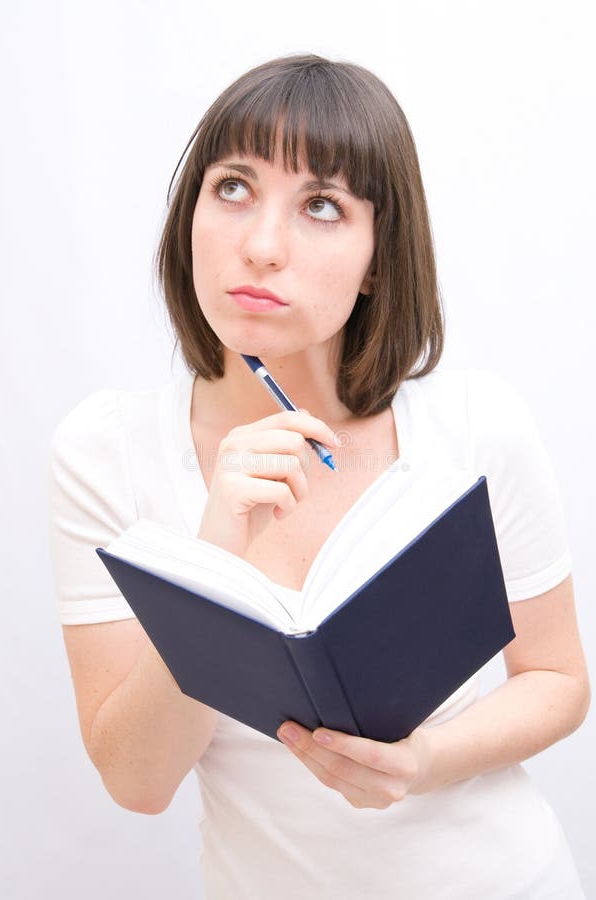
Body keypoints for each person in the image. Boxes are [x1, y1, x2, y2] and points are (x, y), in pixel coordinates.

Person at [47, 54, 590, 898]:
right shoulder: (106, 452)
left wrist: (423, 761)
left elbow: (557, 682)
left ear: (378, 258)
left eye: (322, 205)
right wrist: (212, 560)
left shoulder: (477, 426)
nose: (261, 246)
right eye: (233, 187)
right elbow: (136, 781)